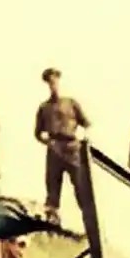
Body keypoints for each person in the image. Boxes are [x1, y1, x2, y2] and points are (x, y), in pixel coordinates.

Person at [33, 67, 90, 226]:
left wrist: (81, 140)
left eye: (54, 81)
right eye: (50, 83)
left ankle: (90, 228)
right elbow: (37, 133)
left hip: (72, 148)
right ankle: (52, 225)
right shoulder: (44, 108)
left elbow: (86, 123)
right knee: (52, 190)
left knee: (81, 189)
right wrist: (48, 142)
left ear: (59, 81)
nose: (53, 85)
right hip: (54, 150)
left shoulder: (71, 103)